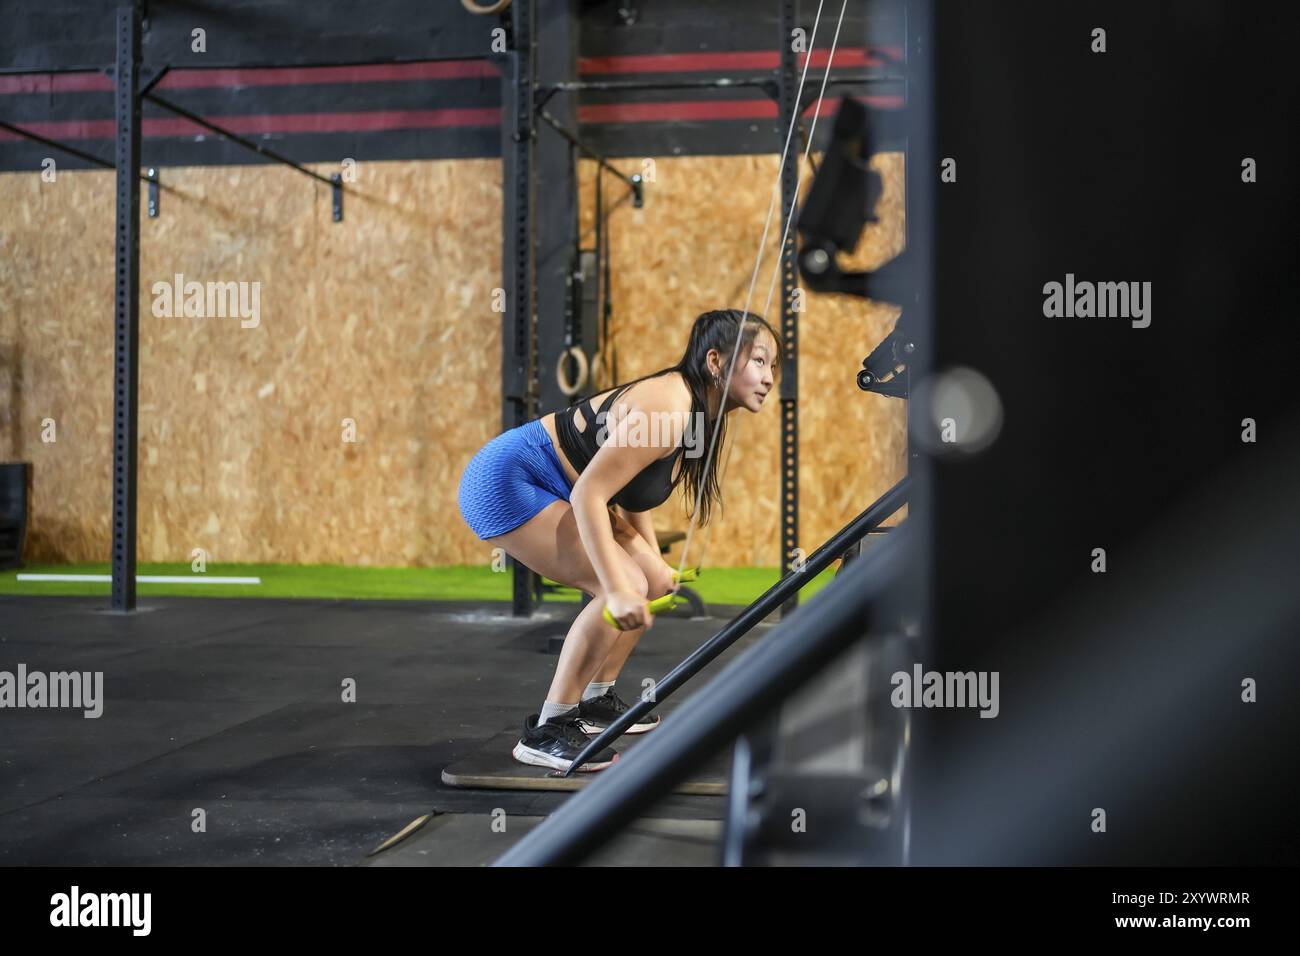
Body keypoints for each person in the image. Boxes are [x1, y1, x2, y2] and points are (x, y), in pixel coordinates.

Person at [457, 308, 780, 771]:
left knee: (650, 580)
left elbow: (632, 492)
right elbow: (590, 492)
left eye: (773, 366)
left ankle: (594, 701)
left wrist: (654, 566)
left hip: (557, 486)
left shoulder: (696, 413)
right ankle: (549, 727)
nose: (769, 378)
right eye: (759, 362)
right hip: (508, 478)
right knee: (623, 584)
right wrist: (616, 584)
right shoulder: (668, 409)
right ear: (715, 361)